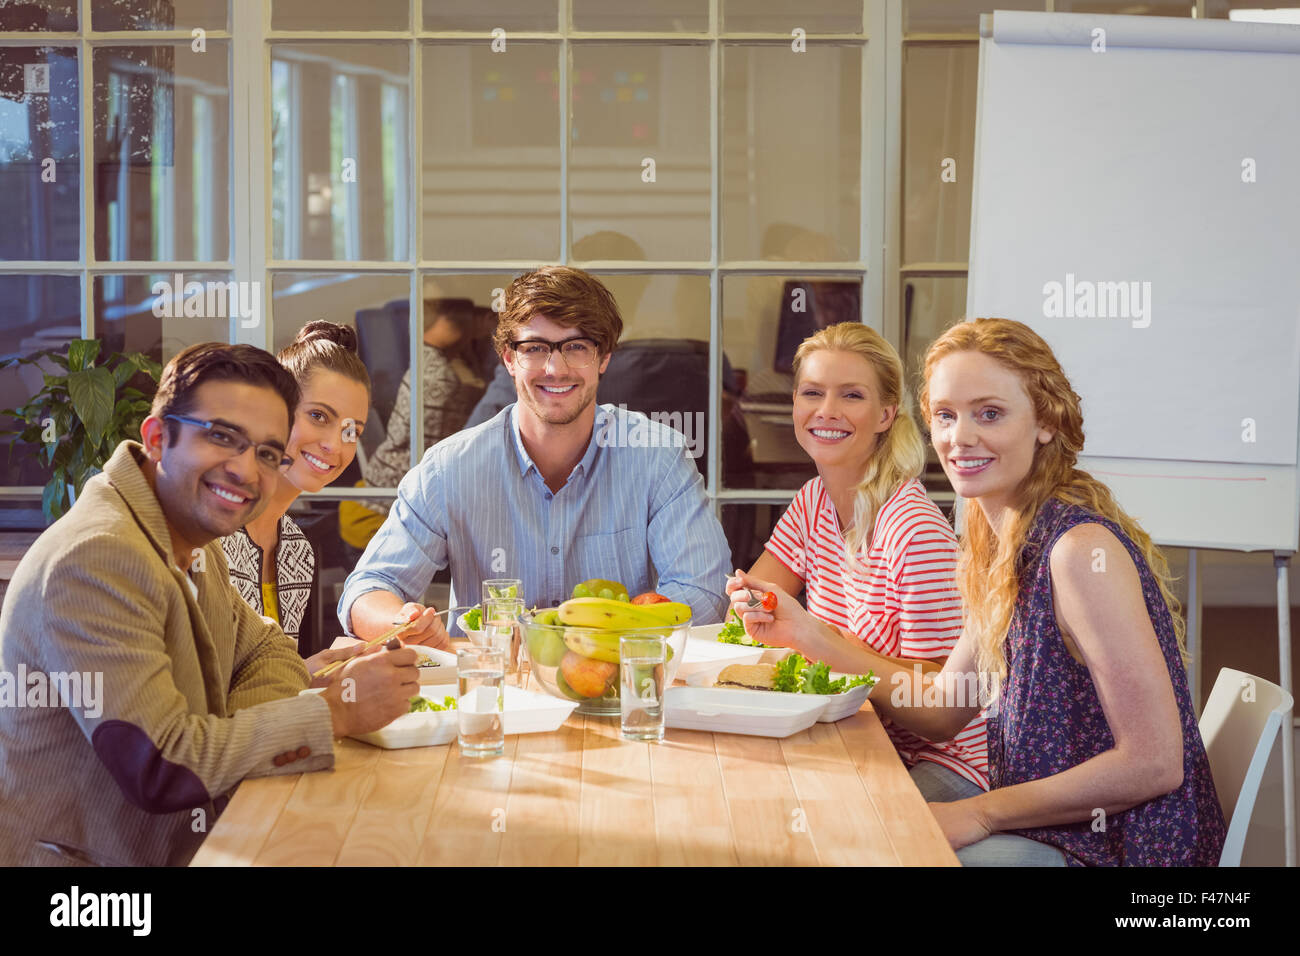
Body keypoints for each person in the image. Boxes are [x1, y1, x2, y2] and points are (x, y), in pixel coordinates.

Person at [731, 318, 1226, 866]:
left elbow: (1155, 764)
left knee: (861, 852)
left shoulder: (1078, 551)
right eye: (945, 415)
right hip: (1050, 827)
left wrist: (980, 812)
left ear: (1045, 422)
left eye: (988, 413)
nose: (959, 437)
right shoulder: (996, 540)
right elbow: (945, 709)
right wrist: (807, 634)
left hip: (1120, 849)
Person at [0, 343, 416, 867]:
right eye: (222, 436)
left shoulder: (191, 540)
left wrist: (219, 728)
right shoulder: (97, 556)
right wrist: (330, 711)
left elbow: (269, 649)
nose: (247, 470)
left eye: (267, 452)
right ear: (157, 437)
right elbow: (164, 765)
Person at [339, 266, 732, 647]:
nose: (555, 368)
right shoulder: (450, 468)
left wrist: (602, 638)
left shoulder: (657, 457)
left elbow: (703, 593)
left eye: (577, 347)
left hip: (617, 689)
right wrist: (402, 623)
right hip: (495, 698)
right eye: (535, 347)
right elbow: (369, 587)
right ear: (509, 359)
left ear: (604, 357)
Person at [728, 321, 987, 793]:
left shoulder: (914, 528)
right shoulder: (812, 502)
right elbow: (752, 606)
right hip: (857, 735)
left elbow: (941, 699)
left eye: (851, 396)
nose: (827, 411)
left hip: (940, 761)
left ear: (887, 414)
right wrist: (750, 604)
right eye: (812, 393)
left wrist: (826, 644)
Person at [223, 322, 371, 650]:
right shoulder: (214, 536)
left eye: (351, 431)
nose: (335, 444)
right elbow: (210, 686)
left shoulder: (296, 549)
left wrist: (323, 673)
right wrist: (310, 676)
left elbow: (273, 681)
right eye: (318, 416)